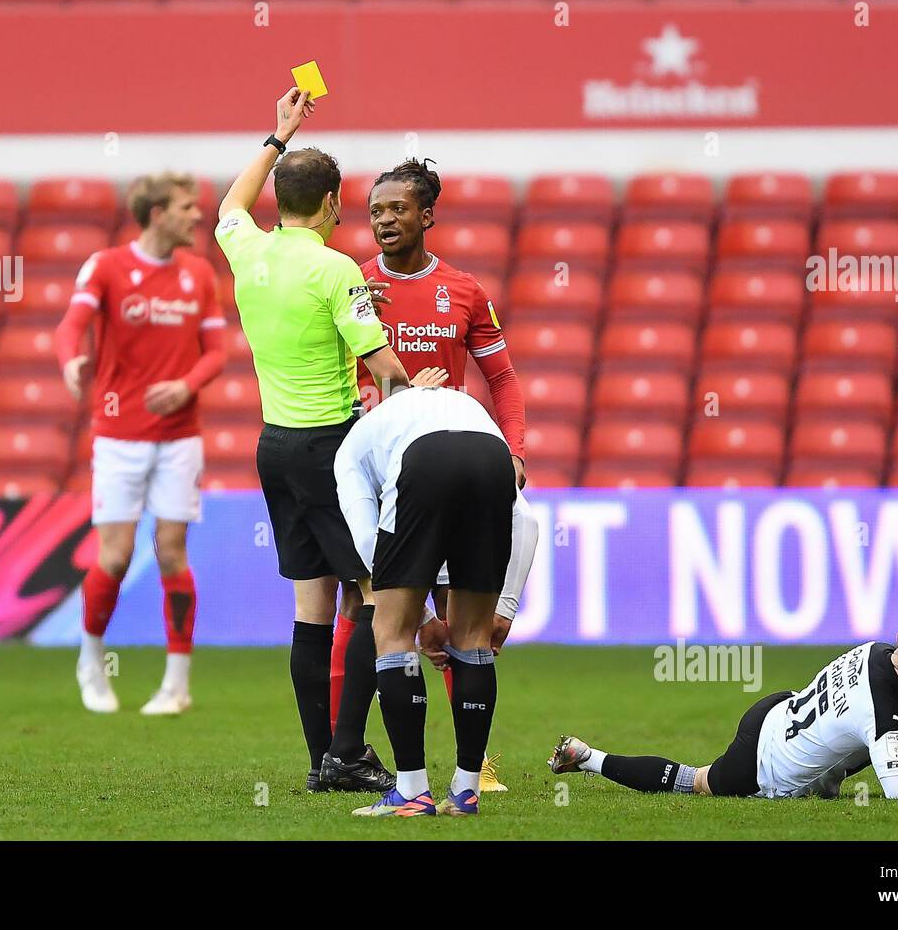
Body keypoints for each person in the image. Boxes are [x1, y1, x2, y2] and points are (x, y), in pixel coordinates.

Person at [214, 87, 411, 792]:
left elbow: (229, 207)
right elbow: (383, 368)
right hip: (330, 450)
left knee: (310, 608)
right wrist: (422, 408)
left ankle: (319, 759)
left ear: (278, 200)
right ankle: (349, 752)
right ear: (331, 202)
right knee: (375, 596)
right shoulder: (337, 270)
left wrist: (278, 134)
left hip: (273, 446)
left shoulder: (248, 249)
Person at [325, 158, 538, 794]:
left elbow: (501, 377)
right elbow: (342, 371)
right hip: (383, 460)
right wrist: (374, 398)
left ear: (426, 215)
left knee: (456, 612)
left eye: (397, 210)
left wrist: (516, 449)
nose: (384, 221)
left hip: (446, 463)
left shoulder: (465, 290)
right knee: (362, 606)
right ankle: (348, 748)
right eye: (376, 211)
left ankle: (473, 768)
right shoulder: (354, 285)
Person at [55, 172, 226, 715]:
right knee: (118, 553)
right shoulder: (106, 266)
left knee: (171, 552)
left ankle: (177, 684)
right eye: (185, 208)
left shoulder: (199, 275)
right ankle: (91, 660)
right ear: (156, 214)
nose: (197, 217)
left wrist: (186, 386)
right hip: (118, 435)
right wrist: (70, 361)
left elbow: (217, 352)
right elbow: (69, 327)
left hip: (180, 437)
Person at [549, 612, 898, 801]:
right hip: (761, 764)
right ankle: (589, 757)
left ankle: (823, 783)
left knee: (868, 743)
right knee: (695, 782)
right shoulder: (882, 709)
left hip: (776, 710)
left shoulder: (874, 651)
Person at [335, 375, 517, 817]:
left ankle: (412, 791)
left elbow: (366, 545)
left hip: (426, 459)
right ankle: (466, 790)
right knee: (472, 636)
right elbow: (523, 518)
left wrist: (416, 623)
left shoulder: (349, 453)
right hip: (497, 457)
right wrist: (506, 604)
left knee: (389, 629)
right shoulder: (457, 410)